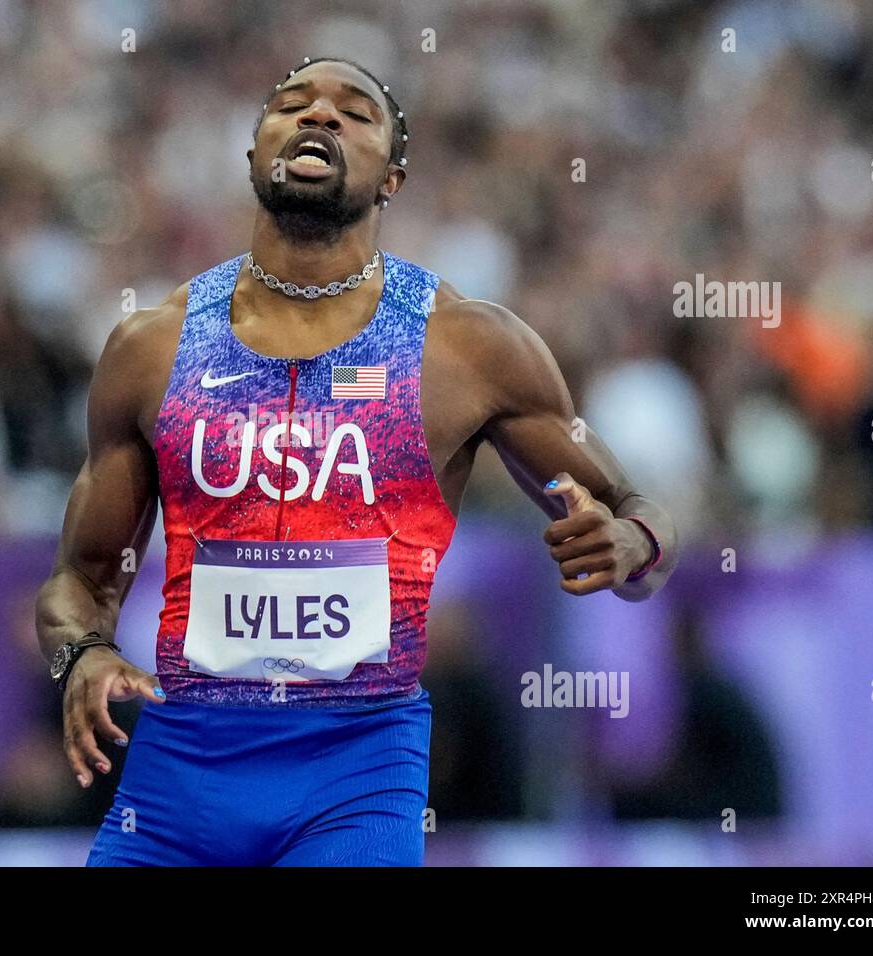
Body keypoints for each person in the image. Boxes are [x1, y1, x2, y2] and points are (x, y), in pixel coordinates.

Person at [35, 57, 677, 866]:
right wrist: (82, 654)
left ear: (392, 181)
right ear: (253, 153)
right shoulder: (150, 349)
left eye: (356, 113)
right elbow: (78, 583)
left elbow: (639, 517)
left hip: (358, 773)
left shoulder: (471, 348)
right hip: (179, 777)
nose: (319, 118)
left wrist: (632, 547)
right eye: (293, 105)